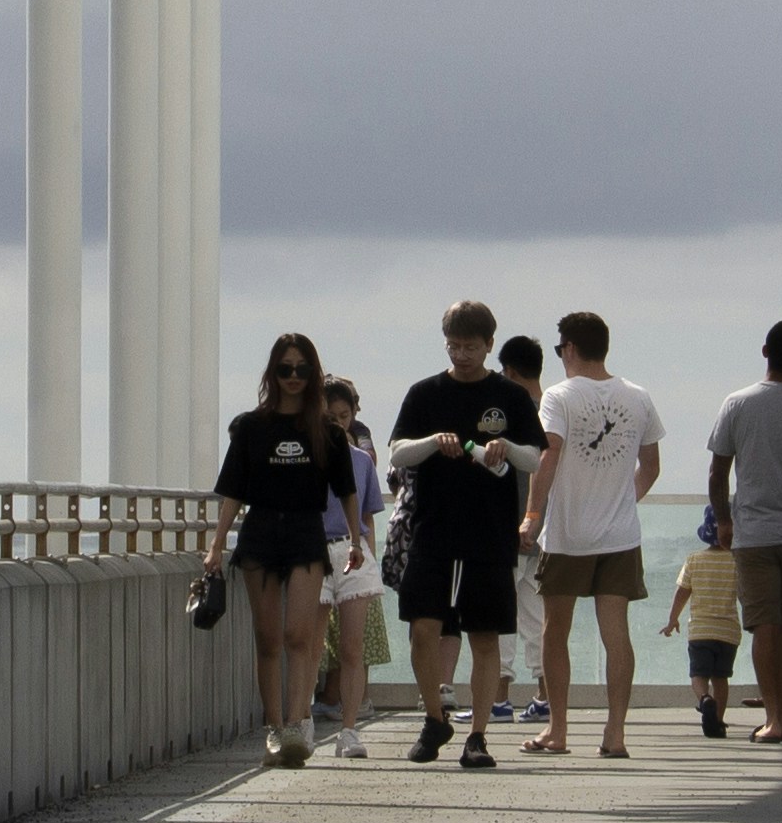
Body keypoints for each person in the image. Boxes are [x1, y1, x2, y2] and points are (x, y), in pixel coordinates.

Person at [389, 301, 542, 769]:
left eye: (470, 347)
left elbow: (535, 457)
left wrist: (505, 447)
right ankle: (435, 717)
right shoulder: (425, 394)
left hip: (489, 533)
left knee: (485, 635)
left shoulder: (509, 397)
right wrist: (435, 441)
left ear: (489, 345)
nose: (461, 355)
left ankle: (477, 734)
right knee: (423, 629)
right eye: (454, 346)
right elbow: (397, 453)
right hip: (433, 530)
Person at [521, 310, 663, 758]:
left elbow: (549, 456)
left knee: (554, 631)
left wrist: (531, 514)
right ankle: (615, 733)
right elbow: (652, 464)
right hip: (620, 536)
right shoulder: (638, 396)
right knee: (616, 633)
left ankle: (558, 730)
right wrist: (624, 500)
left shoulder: (559, 396)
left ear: (570, 349)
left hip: (568, 533)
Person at [205, 331, 346, 768]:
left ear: (313, 373)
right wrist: (214, 548)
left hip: (306, 531)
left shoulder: (326, 431)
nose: (293, 377)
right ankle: (273, 729)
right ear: (273, 372)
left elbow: (347, 490)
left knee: (298, 636)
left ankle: (297, 722)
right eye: (285, 369)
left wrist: (358, 542)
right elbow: (232, 491)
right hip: (261, 532)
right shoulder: (251, 427)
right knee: (268, 638)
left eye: (302, 369)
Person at [703, 320, 782, 744]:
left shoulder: (737, 404)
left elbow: (718, 471)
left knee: (763, 626)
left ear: (764, 352)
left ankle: (776, 715)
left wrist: (724, 519)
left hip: (753, 531)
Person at [315, 372, 386, 757]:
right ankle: (303, 722)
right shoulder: (307, 456)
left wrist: (369, 558)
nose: (337, 423)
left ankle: (350, 728)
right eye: (330, 416)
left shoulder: (361, 460)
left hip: (351, 551)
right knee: (308, 642)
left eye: (343, 416)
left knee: (353, 646)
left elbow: (369, 516)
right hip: (314, 550)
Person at [497, 332, 552, 723]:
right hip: (548, 533)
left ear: (511, 371)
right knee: (539, 619)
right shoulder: (555, 409)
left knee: (499, 615)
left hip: (510, 527)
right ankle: (544, 695)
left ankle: (497, 698)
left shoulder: (511, 415)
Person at [661, 509, 742, 738]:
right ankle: (718, 720)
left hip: (700, 630)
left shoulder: (694, 560)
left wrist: (672, 619)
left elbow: (681, 592)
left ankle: (704, 699)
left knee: (698, 675)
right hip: (728, 632)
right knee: (721, 678)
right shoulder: (736, 561)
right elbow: (745, 594)